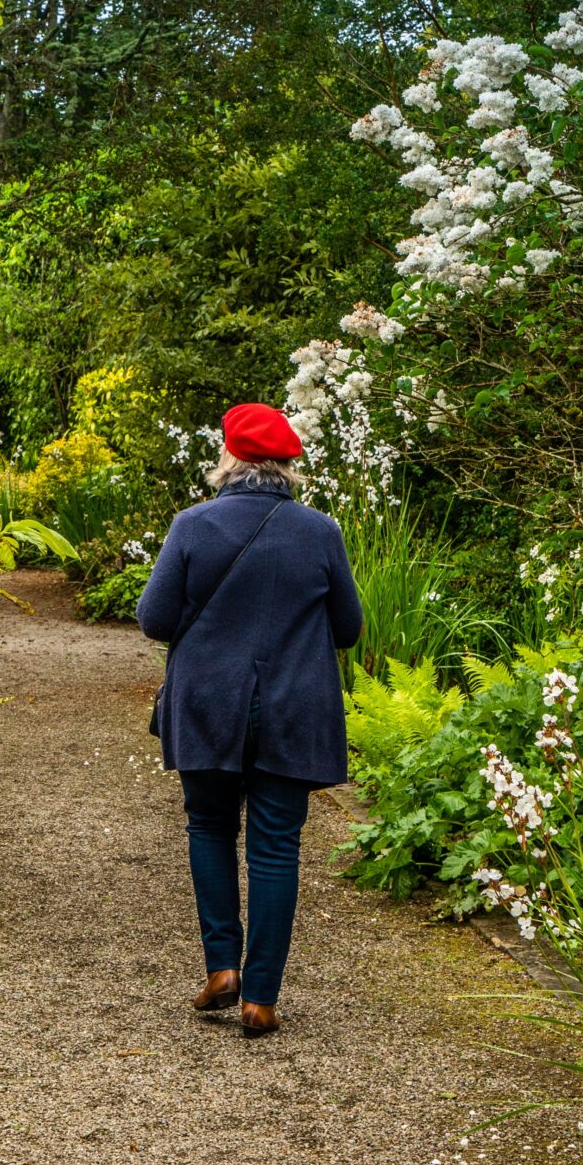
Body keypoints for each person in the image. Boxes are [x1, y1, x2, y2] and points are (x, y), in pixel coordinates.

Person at [136, 402, 363, 1037]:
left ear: (229, 459)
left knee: (208, 828)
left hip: (207, 702)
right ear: (289, 465)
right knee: (275, 846)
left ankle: (220, 970)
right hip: (293, 707)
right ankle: (261, 996)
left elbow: (154, 620)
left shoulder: (191, 525)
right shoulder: (320, 532)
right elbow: (347, 630)